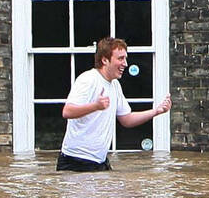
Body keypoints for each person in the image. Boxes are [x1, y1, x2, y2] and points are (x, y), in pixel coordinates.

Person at [57, 36, 172, 171]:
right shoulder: (88, 79)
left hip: (99, 161)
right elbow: (67, 111)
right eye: (120, 58)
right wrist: (95, 106)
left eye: (125, 58)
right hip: (75, 161)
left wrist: (157, 111)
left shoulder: (115, 85)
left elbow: (126, 119)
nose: (125, 64)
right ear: (105, 60)